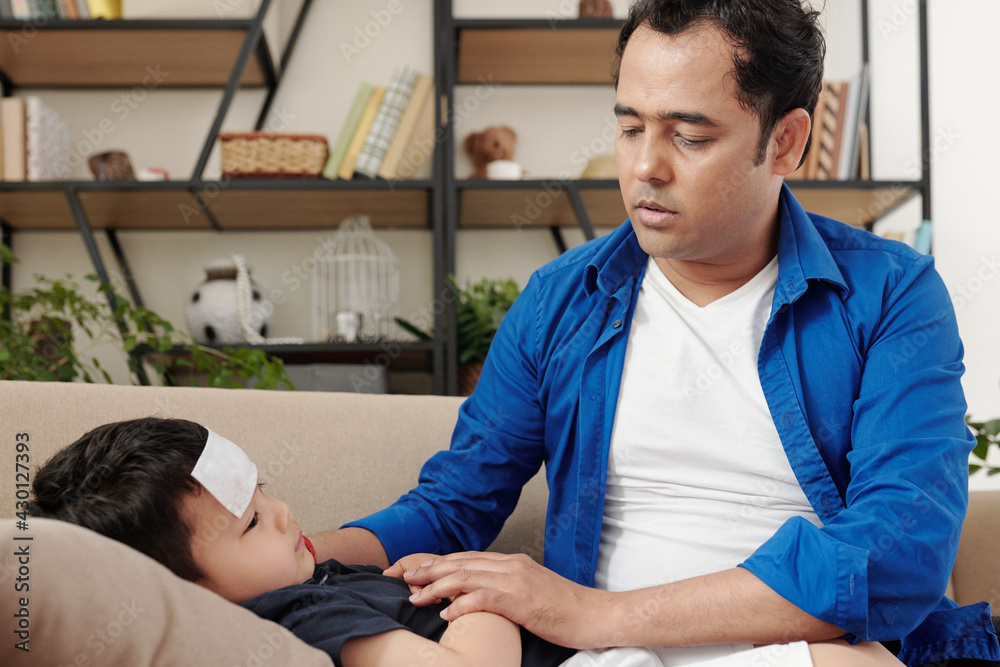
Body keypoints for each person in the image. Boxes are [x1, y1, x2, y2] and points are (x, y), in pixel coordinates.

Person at [309, 1, 1000, 666]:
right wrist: (281, 558)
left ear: (786, 141)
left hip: (798, 654)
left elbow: (897, 550)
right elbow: (452, 504)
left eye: (689, 135)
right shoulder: (561, 299)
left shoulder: (891, 293)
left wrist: (594, 613)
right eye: (630, 127)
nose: (645, 167)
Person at [30, 417, 576, 667]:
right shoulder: (298, 615)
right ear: (189, 592)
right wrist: (481, 596)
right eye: (251, 524)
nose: (285, 514)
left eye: (263, 494)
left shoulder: (315, 576)